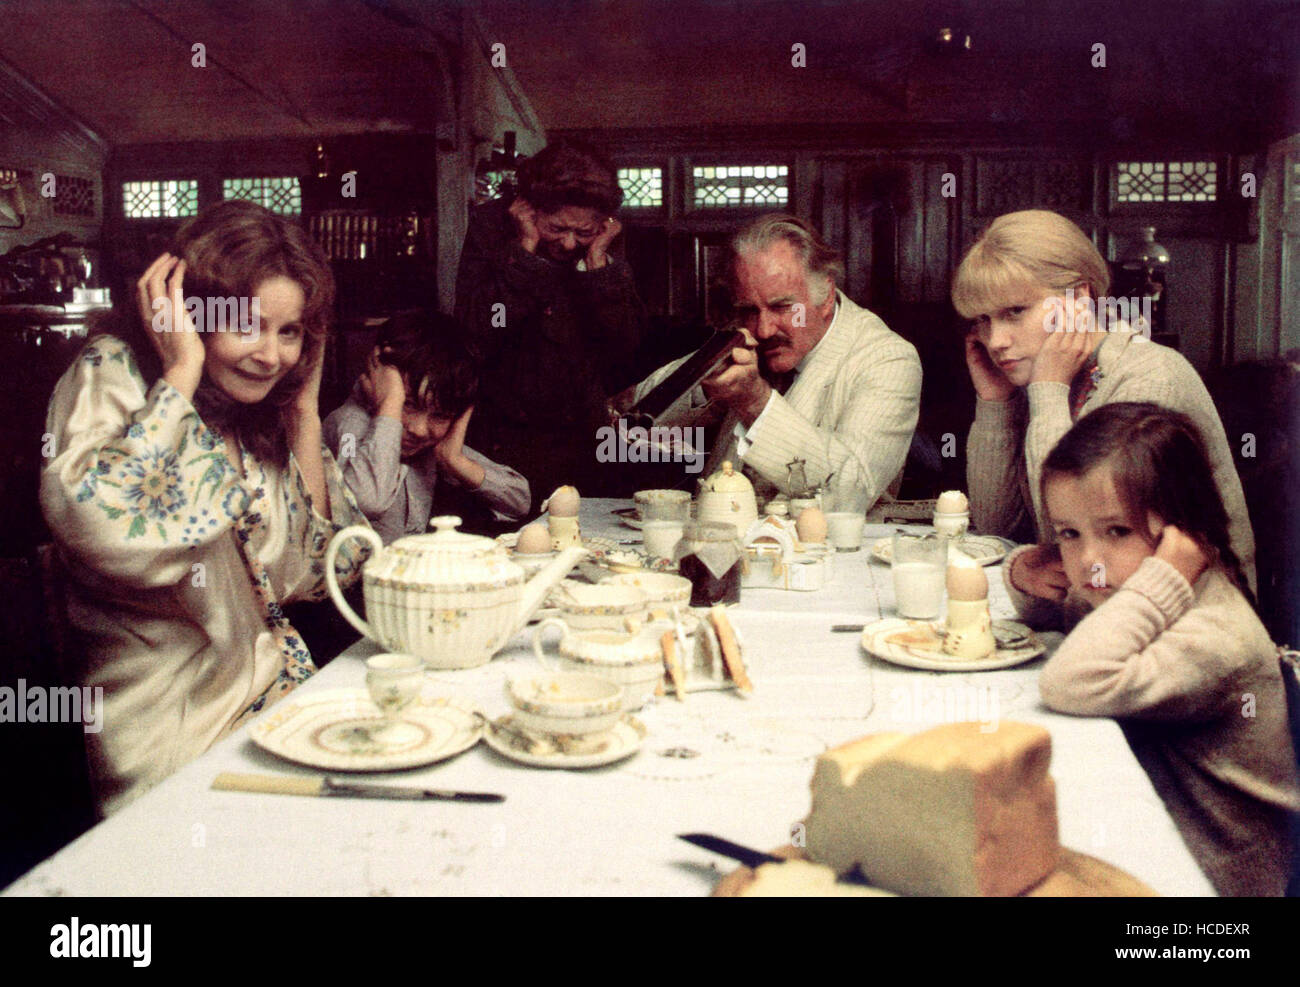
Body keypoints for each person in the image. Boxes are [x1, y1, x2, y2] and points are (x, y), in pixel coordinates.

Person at [40, 200, 369, 816]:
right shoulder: (112, 370)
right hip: (169, 732)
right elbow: (101, 531)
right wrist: (182, 369)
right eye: (247, 324)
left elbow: (314, 573)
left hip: (275, 705)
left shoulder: (255, 407)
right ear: (186, 311)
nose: (270, 356)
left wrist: (303, 412)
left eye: (290, 331)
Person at [1007, 402, 1299, 896]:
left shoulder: (1214, 637)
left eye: (1116, 530)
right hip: (1156, 832)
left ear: (1182, 534)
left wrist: (1163, 576)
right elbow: (1062, 614)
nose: (1089, 563)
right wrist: (1025, 570)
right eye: (1069, 534)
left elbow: (1071, 680)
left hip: (1215, 881)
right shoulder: (1125, 588)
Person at [953, 208, 1256, 593]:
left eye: (1015, 311)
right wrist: (996, 404)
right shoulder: (1055, 368)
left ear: (1078, 298)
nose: (995, 340)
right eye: (983, 319)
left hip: (1187, 631)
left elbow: (1084, 547)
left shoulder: (1147, 377)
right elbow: (997, 527)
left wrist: (1047, 394)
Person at [629, 213, 921, 503]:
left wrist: (754, 402)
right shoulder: (748, 334)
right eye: (749, 310)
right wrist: (706, 377)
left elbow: (850, 491)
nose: (764, 329)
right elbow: (632, 420)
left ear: (827, 296)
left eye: (782, 307)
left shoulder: (889, 360)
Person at [454, 139, 647, 509]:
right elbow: (477, 332)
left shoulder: (603, 241)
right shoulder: (491, 227)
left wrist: (600, 264)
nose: (570, 243)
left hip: (581, 438)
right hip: (502, 439)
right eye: (557, 228)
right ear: (528, 211)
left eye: (583, 232)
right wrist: (525, 252)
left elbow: (627, 346)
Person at [323, 311, 530, 543]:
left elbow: (519, 501)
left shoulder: (428, 445)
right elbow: (366, 500)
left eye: (440, 415)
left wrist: (454, 460)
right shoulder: (348, 426)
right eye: (408, 404)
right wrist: (390, 405)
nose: (420, 429)